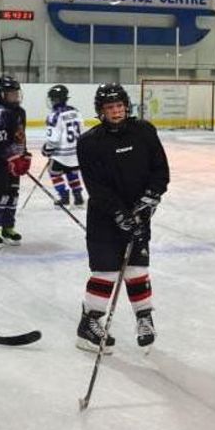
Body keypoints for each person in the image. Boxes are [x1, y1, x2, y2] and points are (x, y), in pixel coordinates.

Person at [74, 83, 169, 352]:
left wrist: (150, 199)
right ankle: (89, 323)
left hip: (140, 212)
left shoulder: (144, 132)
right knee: (106, 271)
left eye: (119, 106)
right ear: (101, 112)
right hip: (104, 218)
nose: (116, 112)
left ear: (126, 106)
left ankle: (144, 318)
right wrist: (118, 213)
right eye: (109, 108)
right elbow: (96, 187)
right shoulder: (90, 142)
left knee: (137, 268)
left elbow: (160, 169)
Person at [0, 75, 30, 249]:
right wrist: (12, 158)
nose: (15, 96)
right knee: (1, 195)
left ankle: (8, 228)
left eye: (16, 93)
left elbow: (19, 137)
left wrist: (24, 154)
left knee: (13, 195)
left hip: (13, 161)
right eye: (11, 93)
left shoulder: (20, 112)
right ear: (1, 95)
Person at [41, 84, 86, 207]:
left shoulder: (54, 115)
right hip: (76, 153)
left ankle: (64, 196)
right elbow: (82, 132)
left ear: (55, 99)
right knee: (72, 172)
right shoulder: (75, 111)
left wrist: (46, 150)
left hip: (61, 155)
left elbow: (53, 141)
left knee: (54, 172)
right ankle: (78, 196)